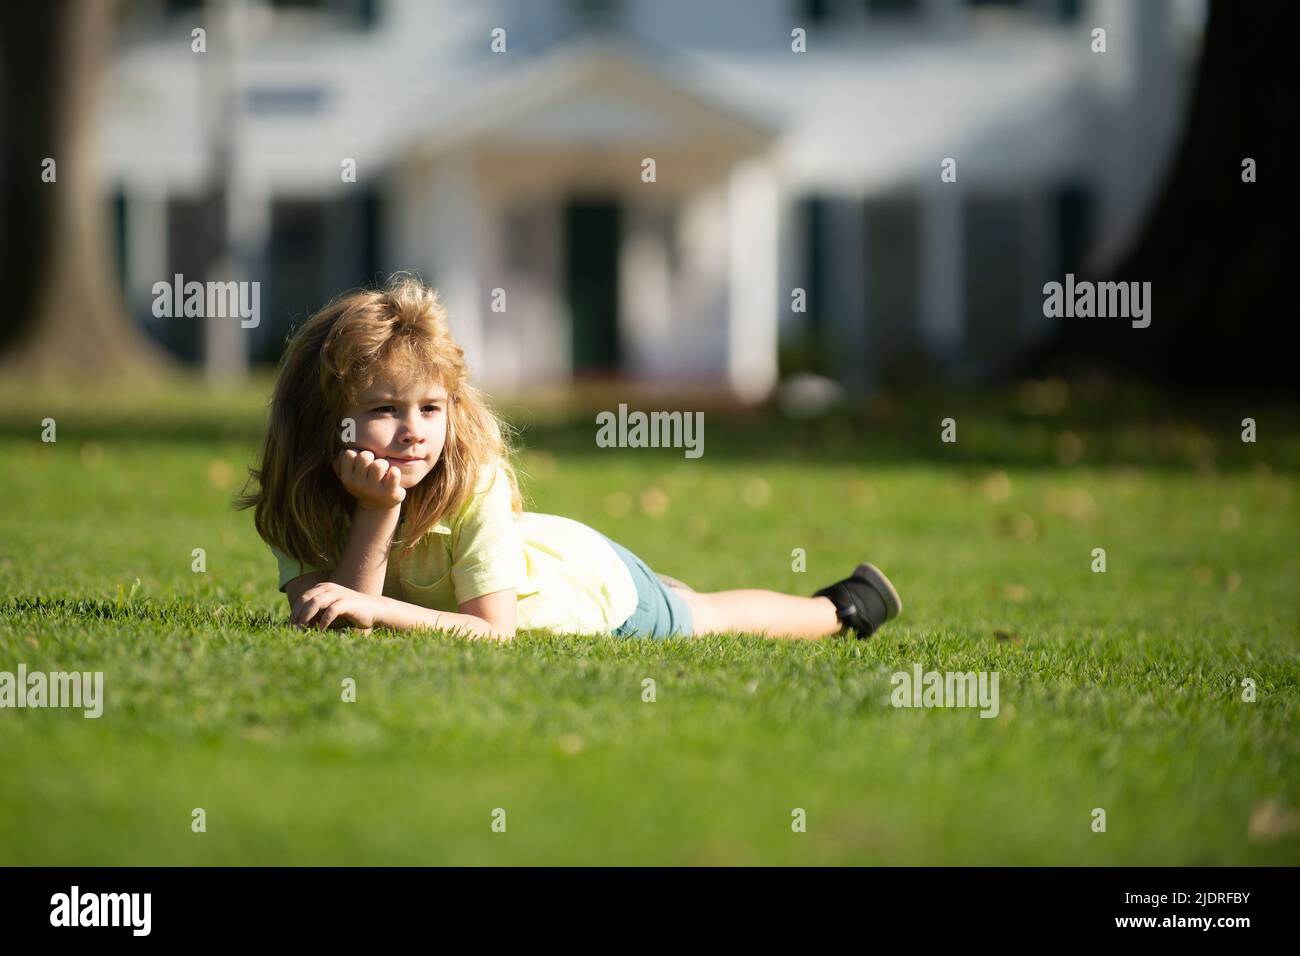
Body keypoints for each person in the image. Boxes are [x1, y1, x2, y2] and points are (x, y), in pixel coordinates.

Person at [236, 274, 902, 643]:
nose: (414, 433)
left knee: (709, 619)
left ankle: (844, 607)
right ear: (325, 420)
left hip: (592, 592)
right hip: (536, 556)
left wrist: (381, 603)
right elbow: (331, 626)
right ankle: (665, 582)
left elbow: (491, 636)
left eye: (430, 409)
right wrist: (376, 517)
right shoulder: (301, 500)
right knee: (688, 597)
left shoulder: (471, 481)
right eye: (384, 410)